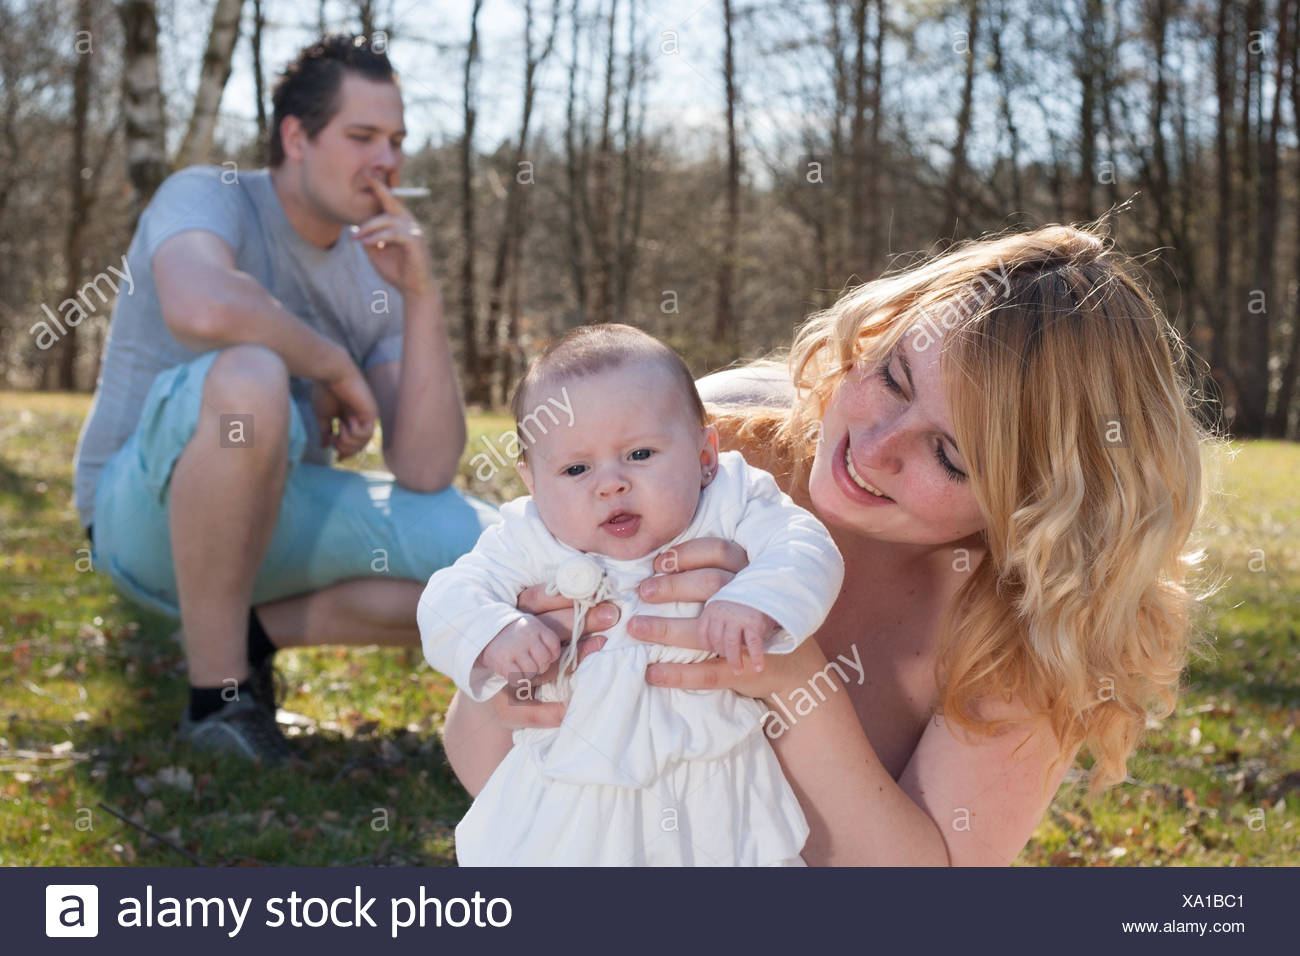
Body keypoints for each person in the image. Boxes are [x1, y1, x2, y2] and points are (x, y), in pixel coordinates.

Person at [441, 224, 1209, 865]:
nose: (874, 449)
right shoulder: (716, 450)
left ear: (1040, 497)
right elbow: (479, 760)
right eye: (893, 379)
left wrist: (794, 680)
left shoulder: (1034, 625)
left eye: (949, 455)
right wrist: (526, 671)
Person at [72, 35, 498, 763]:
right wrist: (331, 361)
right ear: (295, 137)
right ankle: (218, 701)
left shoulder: (376, 265)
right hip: (142, 517)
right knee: (250, 379)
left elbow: (425, 467)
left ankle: (255, 633)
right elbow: (200, 305)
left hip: (279, 511)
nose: (386, 160)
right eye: (361, 136)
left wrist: (421, 296)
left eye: (396, 139)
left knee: (498, 561)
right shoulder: (209, 195)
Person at [419, 325, 844, 865]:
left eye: (640, 453)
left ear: (704, 454)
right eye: (575, 468)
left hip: (712, 785)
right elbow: (446, 597)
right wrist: (496, 630)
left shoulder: (730, 504)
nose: (610, 483)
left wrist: (758, 600)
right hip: (570, 799)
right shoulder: (528, 539)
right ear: (531, 481)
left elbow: (805, 546)